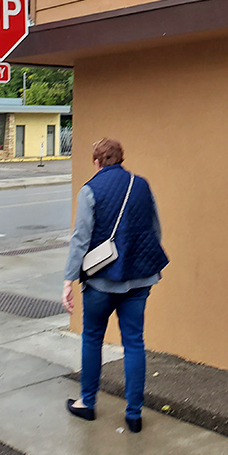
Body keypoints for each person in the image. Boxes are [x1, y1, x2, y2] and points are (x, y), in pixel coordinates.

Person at [62, 138, 168, 432]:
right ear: (121, 159)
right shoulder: (142, 185)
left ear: (97, 162)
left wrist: (69, 280)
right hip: (140, 279)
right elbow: (155, 228)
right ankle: (134, 414)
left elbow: (80, 240)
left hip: (101, 281)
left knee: (93, 338)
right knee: (134, 342)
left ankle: (87, 403)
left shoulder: (90, 190)